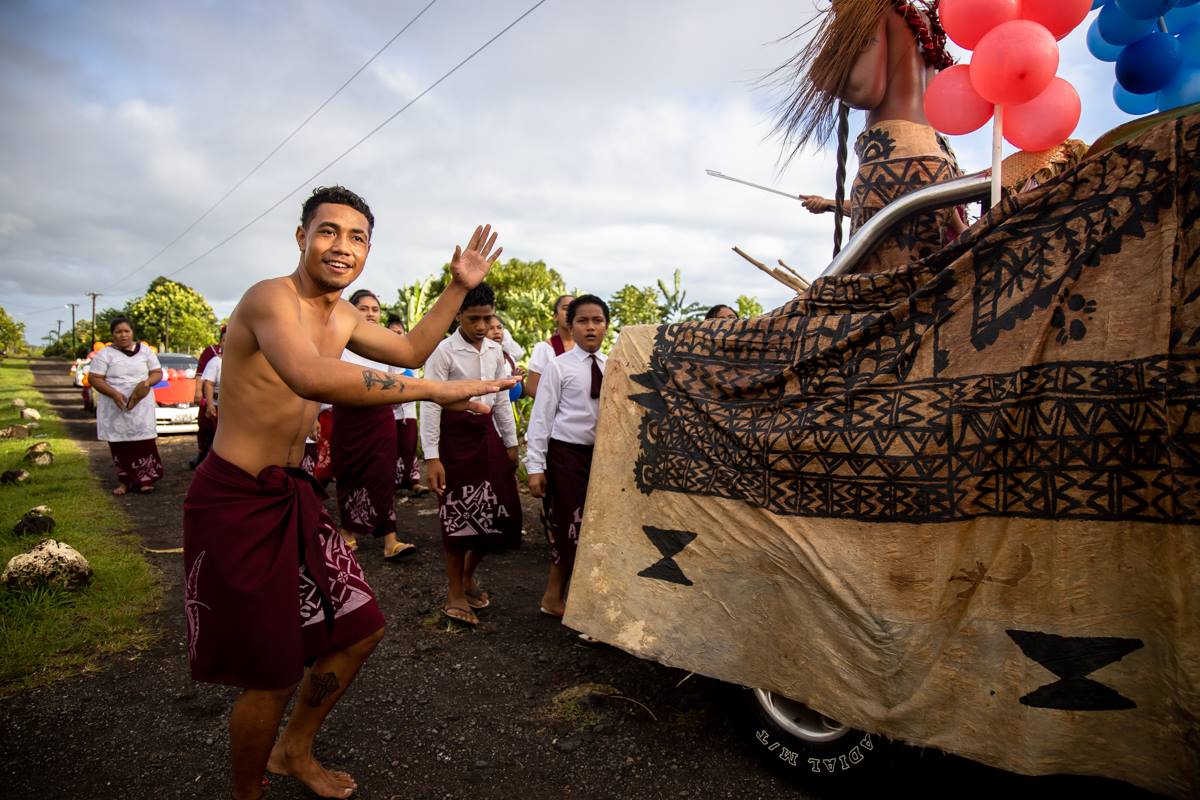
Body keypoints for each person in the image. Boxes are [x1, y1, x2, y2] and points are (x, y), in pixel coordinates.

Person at [182, 185, 513, 800]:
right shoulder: (268, 300)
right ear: (301, 236)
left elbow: (413, 348)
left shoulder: (343, 317)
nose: (342, 246)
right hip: (234, 498)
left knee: (360, 629)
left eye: (357, 237)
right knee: (273, 672)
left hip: (292, 493)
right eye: (329, 231)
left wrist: (459, 286)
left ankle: (293, 748)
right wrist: (428, 392)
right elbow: (308, 374)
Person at [770, 0, 964, 272]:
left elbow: (867, 92)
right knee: (925, 277)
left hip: (892, 156)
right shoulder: (920, 18)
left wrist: (824, 76)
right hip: (937, 157)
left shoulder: (875, 11)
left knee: (874, 282)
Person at [421, 283, 522, 627]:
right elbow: (431, 405)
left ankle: (468, 574)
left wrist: (510, 443)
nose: (481, 326)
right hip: (454, 441)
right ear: (458, 315)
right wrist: (432, 457)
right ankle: (454, 592)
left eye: (487, 318)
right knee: (457, 517)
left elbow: (502, 400)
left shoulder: (495, 351)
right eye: (473, 318)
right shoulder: (443, 352)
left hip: (488, 437)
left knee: (499, 512)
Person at [524, 295, 609, 618]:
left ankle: (559, 598)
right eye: (583, 321)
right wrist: (536, 467)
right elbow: (541, 419)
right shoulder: (558, 367)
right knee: (570, 528)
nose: (590, 327)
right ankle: (570, 603)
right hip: (565, 457)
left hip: (601, 459)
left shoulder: (613, 365)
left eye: (597, 320)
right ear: (571, 326)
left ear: (606, 326)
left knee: (597, 529)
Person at [330, 290, 418, 561]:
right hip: (348, 418)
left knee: (383, 475)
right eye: (363, 308)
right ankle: (347, 531)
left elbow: (397, 382)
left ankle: (390, 540)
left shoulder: (388, 343)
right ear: (352, 312)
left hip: (381, 419)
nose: (370, 313)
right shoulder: (338, 342)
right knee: (350, 473)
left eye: (375, 309)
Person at [88, 316, 164, 496]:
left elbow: (157, 373)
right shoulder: (105, 354)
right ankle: (125, 481)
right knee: (120, 444)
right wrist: (114, 393)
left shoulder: (145, 352)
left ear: (132, 333)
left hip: (141, 405)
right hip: (116, 405)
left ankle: (146, 480)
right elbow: (94, 378)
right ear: (113, 335)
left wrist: (145, 384)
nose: (123, 335)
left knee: (143, 443)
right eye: (118, 332)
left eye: (126, 331)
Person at [386, 316, 422, 494]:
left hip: (408, 412)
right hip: (390, 413)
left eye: (400, 333)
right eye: (392, 333)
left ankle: (412, 481)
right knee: (392, 448)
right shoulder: (382, 357)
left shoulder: (411, 356)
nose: (397, 336)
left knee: (409, 446)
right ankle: (394, 482)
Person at [525, 293, 575, 398]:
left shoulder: (586, 348)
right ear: (555, 316)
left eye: (575, 309)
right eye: (566, 308)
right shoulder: (544, 349)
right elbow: (531, 388)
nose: (570, 312)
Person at [191, 325, 225, 468]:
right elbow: (206, 381)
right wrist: (199, 392)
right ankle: (204, 455)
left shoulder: (241, 358)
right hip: (215, 403)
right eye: (225, 340)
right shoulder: (213, 358)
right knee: (208, 429)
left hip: (232, 406)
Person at [487, 314, 525, 404]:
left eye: (499, 327)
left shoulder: (509, 359)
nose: (496, 332)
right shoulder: (480, 359)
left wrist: (519, 380)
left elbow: (522, 395)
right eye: (491, 328)